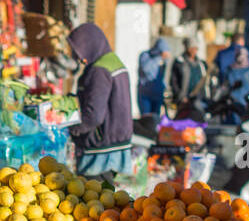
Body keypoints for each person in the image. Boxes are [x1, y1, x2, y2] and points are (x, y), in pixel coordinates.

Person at [67, 22, 133, 177]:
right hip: (116, 146)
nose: (79, 58)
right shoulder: (114, 61)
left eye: (79, 52)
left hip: (101, 151)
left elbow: (94, 114)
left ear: (90, 45)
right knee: (105, 196)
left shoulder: (98, 71)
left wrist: (73, 130)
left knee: (95, 198)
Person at [137, 38, 171, 119]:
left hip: (158, 94)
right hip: (145, 94)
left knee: (155, 120)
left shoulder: (163, 60)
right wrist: (158, 57)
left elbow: (162, 76)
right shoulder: (145, 55)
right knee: (146, 120)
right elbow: (145, 69)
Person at [169, 40, 208, 111]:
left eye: (195, 48)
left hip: (197, 98)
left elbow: (204, 79)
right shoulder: (179, 62)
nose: (193, 51)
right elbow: (173, 81)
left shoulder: (201, 63)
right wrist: (180, 96)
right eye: (191, 48)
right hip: (183, 99)